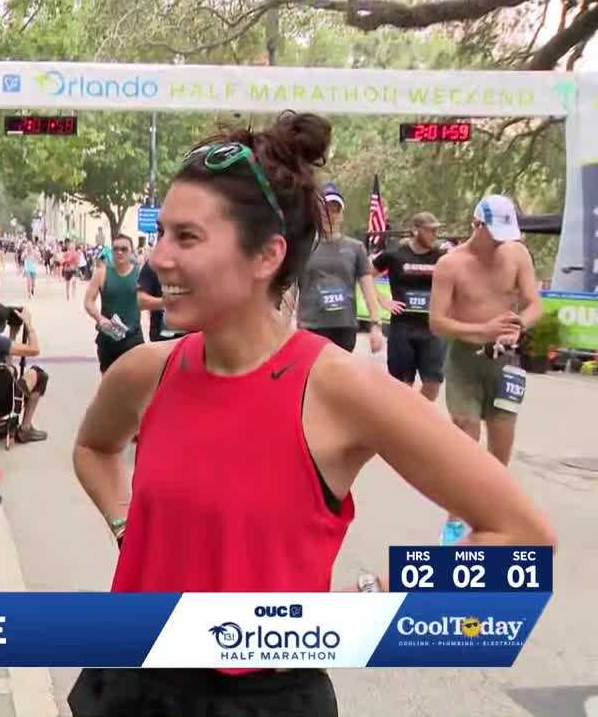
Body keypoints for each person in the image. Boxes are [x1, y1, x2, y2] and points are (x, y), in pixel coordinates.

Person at [71, 114, 555, 716]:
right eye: (162, 233)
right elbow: (93, 448)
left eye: (186, 238)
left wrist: (363, 600)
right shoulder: (148, 370)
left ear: (266, 256)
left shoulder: (340, 388)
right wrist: (127, 527)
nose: (159, 258)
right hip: (129, 675)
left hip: (262, 698)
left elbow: (520, 535)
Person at [429, 195, 543, 545]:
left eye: (505, 236)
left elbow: (534, 303)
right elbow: (437, 322)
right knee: (465, 438)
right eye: (493, 234)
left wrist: (519, 325)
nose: (499, 243)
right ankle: (454, 520)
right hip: (465, 361)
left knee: (500, 447)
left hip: (505, 362)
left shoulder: (517, 255)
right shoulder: (450, 265)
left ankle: (492, 520)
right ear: (476, 225)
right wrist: (482, 330)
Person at [295, 184, 385, 353]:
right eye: (324, 209)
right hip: (311, 326)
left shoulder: (356, 248)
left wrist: (376, 325)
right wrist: (282, 328)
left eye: (335, 210)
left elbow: (368, 288)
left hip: (344, 328)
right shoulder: (302, 247)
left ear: (341, 215)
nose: (329, 214)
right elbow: (289, 290)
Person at [372, 212, 446, 401]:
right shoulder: (394, 255)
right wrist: (383, 300)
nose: (434, 235)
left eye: (436, 231)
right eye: (430, 230)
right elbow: (366, 275)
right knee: (402, 386)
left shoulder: (441, 257)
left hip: (431, 329)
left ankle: (416, 414)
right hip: (402, 329)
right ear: (415, 230)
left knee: (433, 384)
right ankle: (403, 415)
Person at [0, 303, 48, 443]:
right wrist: (28, 324)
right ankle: (25, 429)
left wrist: (13, 334)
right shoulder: (0, 342)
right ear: (4, 324)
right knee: (39, 375)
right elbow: (35, 349)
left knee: (2, 373)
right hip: (7, 403)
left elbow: (5, 369)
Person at [84, 233, 144, 373]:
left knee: (135, 381)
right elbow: (88, 301)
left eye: (124, 249)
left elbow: (150, 298)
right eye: (115, 249)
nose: (119, 252)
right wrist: (100, 318)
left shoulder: (140, 274)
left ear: (132, 251)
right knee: (108, 381)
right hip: (108, 338)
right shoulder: (101, 273)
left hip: (133, 337)